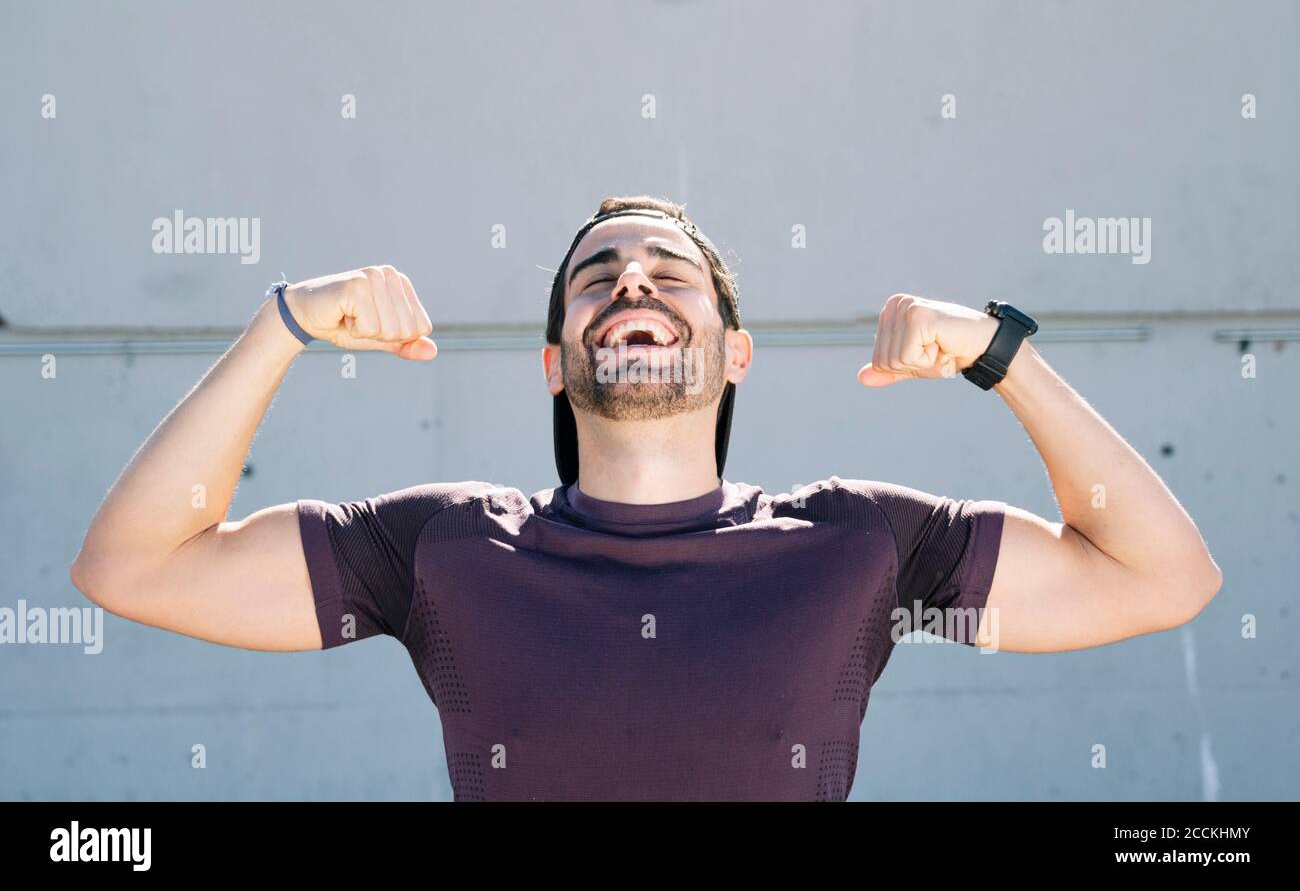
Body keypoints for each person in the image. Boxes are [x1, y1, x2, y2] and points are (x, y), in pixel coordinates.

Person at [71, 195, 1222, 801]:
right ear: (554, 358)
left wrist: (997, 351)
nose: (631, 280)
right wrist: (285, 326)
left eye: (670, 275)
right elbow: (133, 568)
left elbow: (1164, 579)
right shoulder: (449, 547)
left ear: (735, 357)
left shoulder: (854, 542)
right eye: (596, 276)